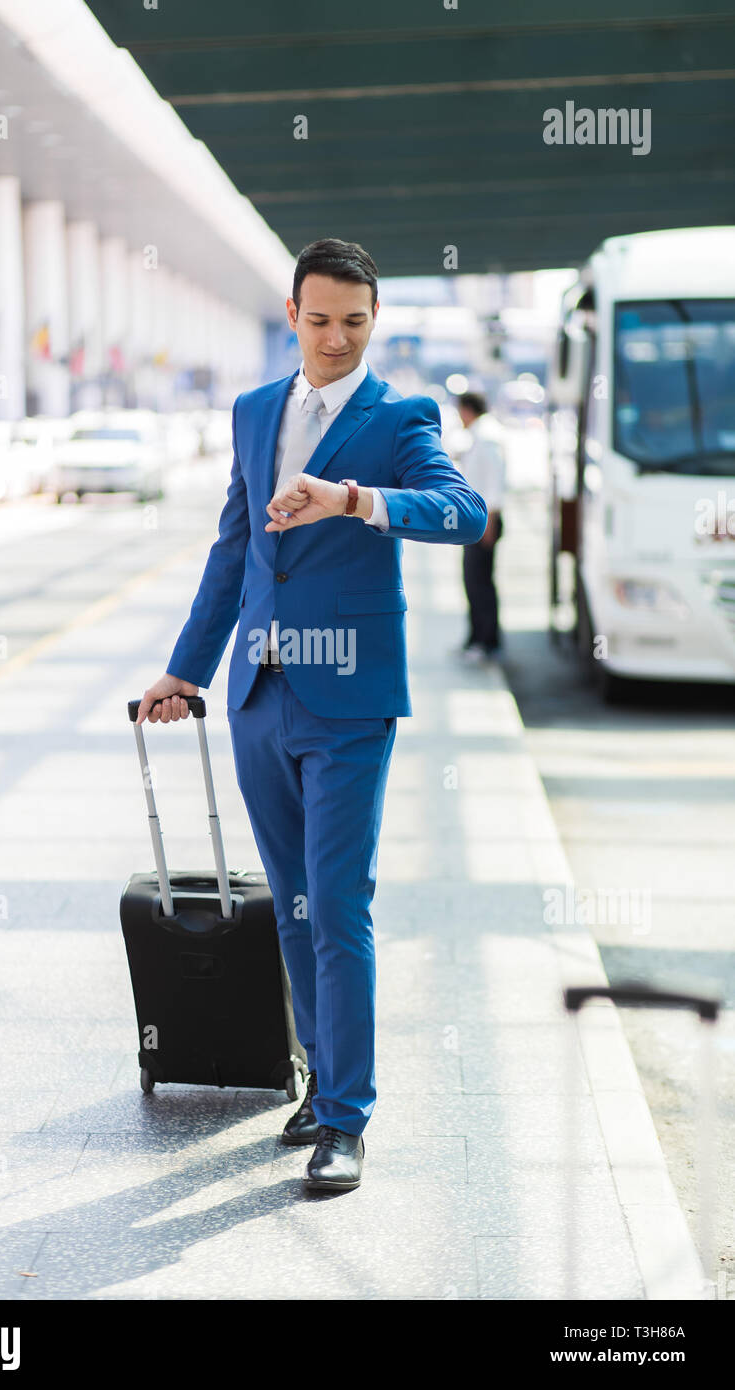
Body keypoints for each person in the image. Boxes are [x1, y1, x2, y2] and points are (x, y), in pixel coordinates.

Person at [137, 239, 486, 1193]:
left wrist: (353, 500)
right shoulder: (255, 412)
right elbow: (233, 553)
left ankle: (347, 1120)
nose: (337, 338)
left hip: (349, 701)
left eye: (356, 322)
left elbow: (466, 513)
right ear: (291, 315)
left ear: (376, 324)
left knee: (338, 906)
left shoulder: (400, 415)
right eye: (321, 319)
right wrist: (185, 672)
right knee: (291, 909)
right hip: (259, 695)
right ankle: (320, 1080)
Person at [454, 391, 507, 662]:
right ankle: (478, 638)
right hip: (480, 518)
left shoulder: (487, 437)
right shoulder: (481, 435)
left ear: (467, 410)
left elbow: (494, 484)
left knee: (479, 582)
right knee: (475, 581)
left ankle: (486, 642)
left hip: (485, 520)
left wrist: (490, 523)